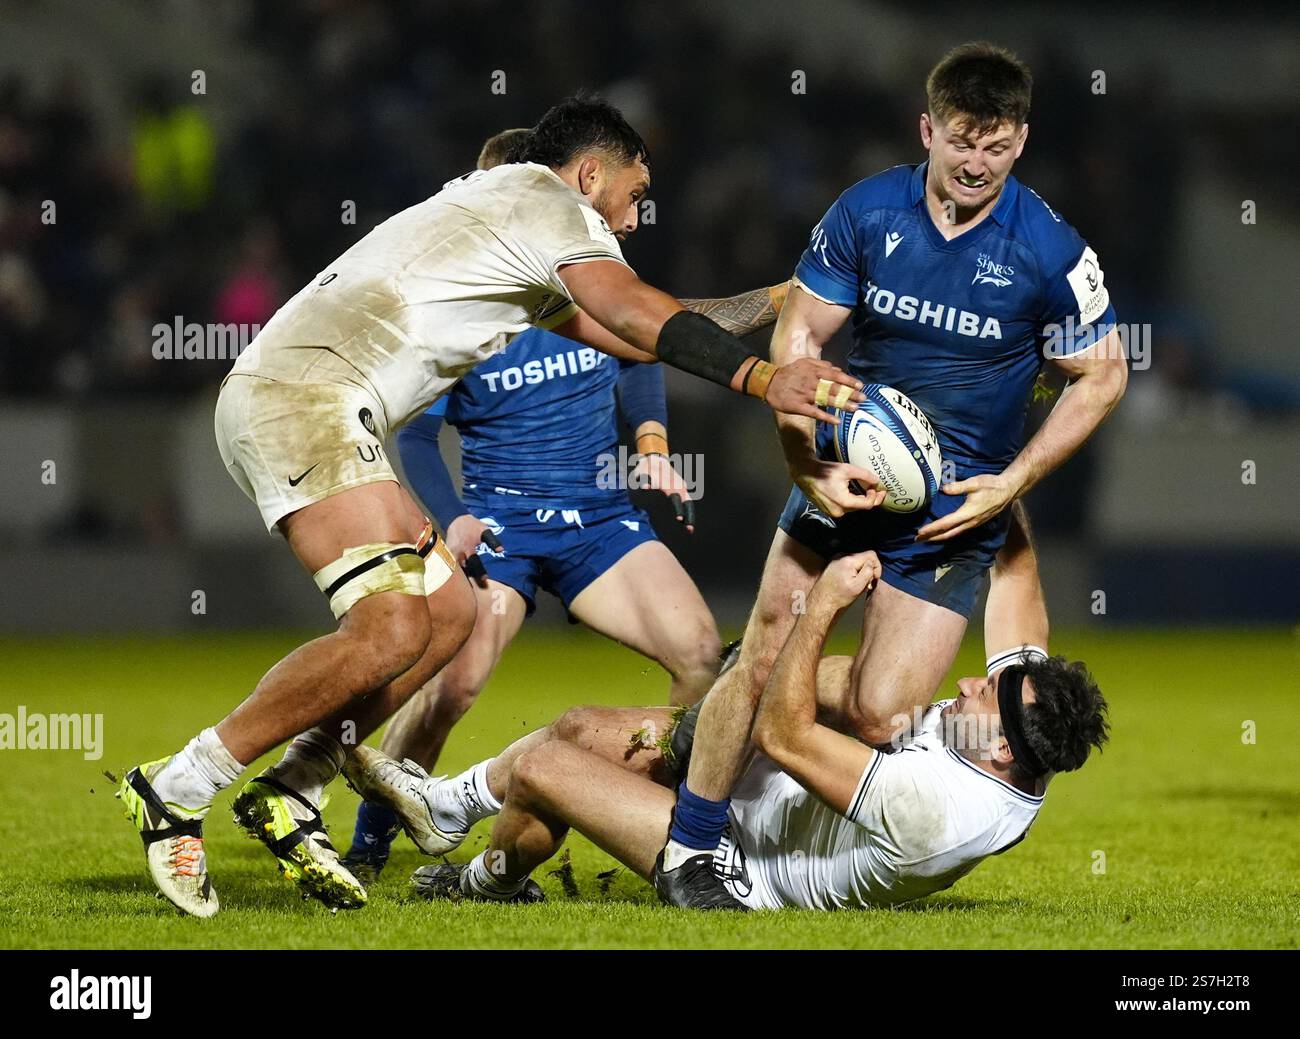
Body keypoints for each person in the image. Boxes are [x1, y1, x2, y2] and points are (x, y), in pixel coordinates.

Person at [117, 95, 862, 918]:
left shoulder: (511, 220)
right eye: (633, 192)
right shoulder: (546, 205)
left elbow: (644, 328)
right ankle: (176, 786)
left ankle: (295, 785)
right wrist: (763, 378)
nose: (636, 215)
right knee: (394, 627)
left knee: (448, 615)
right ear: (590, 174)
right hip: (304, 396)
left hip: (323, 397)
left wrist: (788, 293)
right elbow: (633, 308)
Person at [651, 42, 1128, 907]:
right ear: (928, 129)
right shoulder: (867, 212)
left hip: (953, 514)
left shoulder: (1051, 251)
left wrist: (1013, 480)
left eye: (995, 146)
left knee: (879, 713)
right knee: (765, 649)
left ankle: (740, 720)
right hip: (846, 474)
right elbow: (796, 341)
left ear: (1020, 141)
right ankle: (691, 851)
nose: (976, 164)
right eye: (959, 142)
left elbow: (1105, 374)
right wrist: (807, 462)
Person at [341, 129, 790, 883]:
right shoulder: (465, 306)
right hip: (503, 525)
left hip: (598, 521)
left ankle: (648, 816)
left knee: (700, 656)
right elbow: (415, 437)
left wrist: (651, 442)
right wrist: (452, 513)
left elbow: (643, 349)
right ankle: (370, 841)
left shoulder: (589, 276)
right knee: (452, 685)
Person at [343, 504, 1109, 910]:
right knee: (577, 727)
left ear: (1005, 751)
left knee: (548, 763)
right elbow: (1017, 573)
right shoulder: (1025, 722)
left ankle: (479, 875)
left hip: (745, 868)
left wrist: (822, 605)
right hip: (767, 795)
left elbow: (782, 731)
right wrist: (994, 461)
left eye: (986, 696)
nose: (972, 682)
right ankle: (456, 821)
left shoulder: (938, 810)